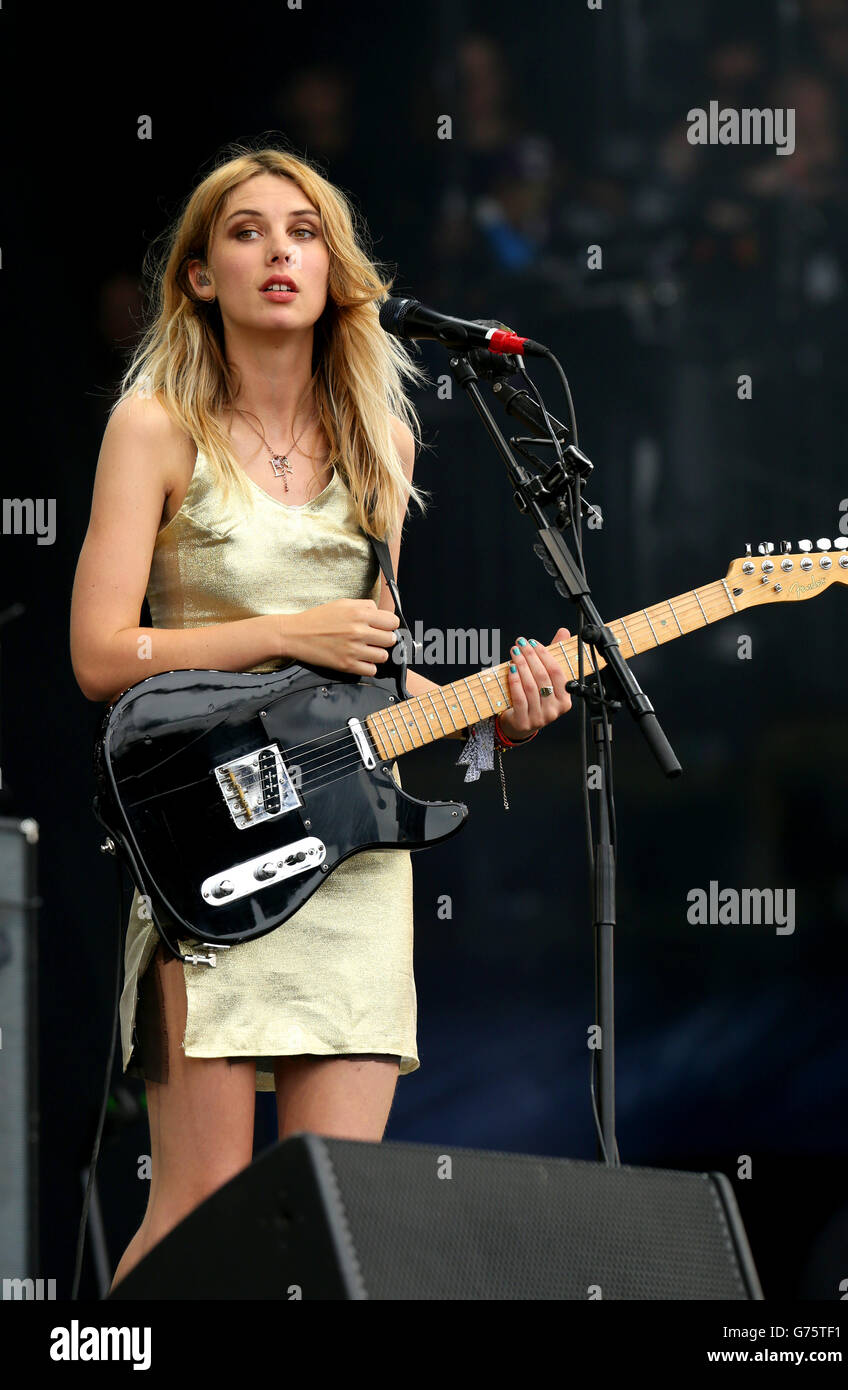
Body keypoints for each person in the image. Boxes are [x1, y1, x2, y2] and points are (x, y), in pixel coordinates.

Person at [69, 142, 573, 1291]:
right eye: (245, 232)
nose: (277, 251)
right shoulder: (154, 425)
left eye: (301, 231)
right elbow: (100, 654)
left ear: (336, 268)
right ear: (200, 275)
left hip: (349, 853)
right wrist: (282, 631)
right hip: (209, 832)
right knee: (199, 1215)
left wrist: (499, 714)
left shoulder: (378, 442)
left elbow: (373, 682)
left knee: (329, 1219)